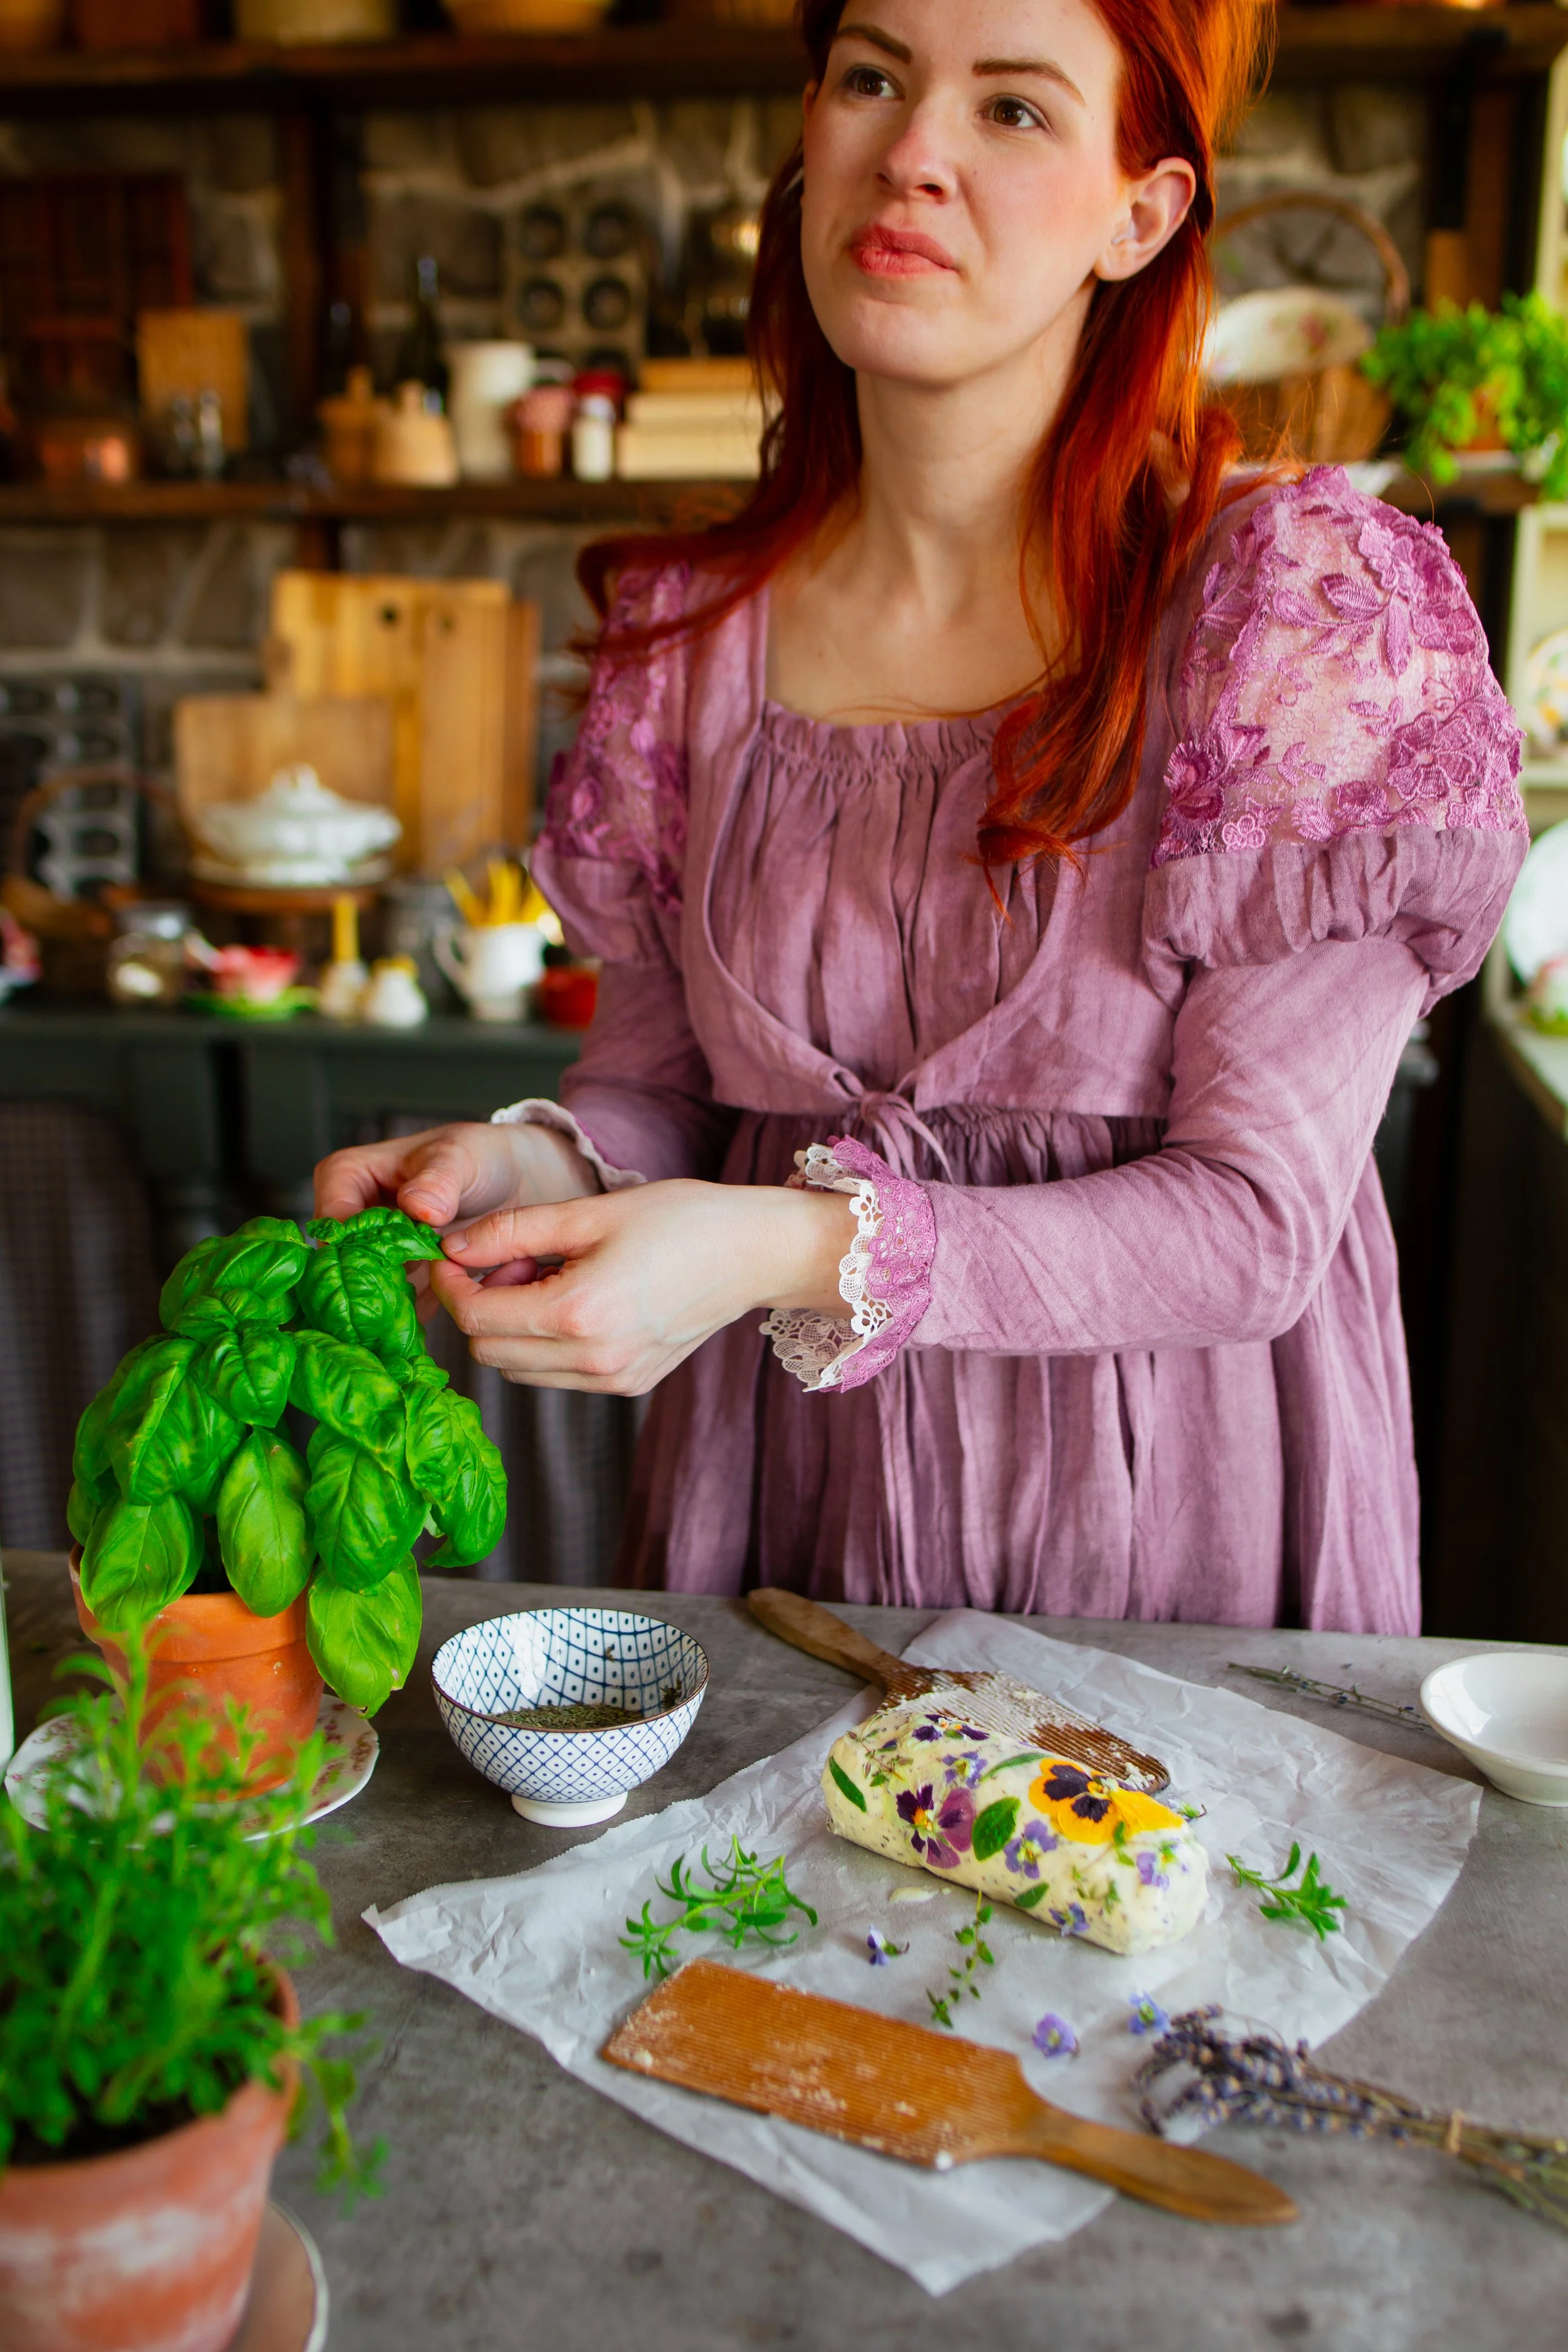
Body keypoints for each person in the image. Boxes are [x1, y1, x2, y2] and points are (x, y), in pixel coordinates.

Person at [315, 0, 1525, 1633]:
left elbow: (1250, 1226)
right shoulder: (690, 634)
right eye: (873, 77)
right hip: (778, 1526)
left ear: (1139, 211)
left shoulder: (1286, 612)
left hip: (1159, 1539)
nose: (912, 154)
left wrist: (778, 1248)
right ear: (807, 129)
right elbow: (666, 1093)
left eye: (1014, 109)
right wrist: (524, 1159)